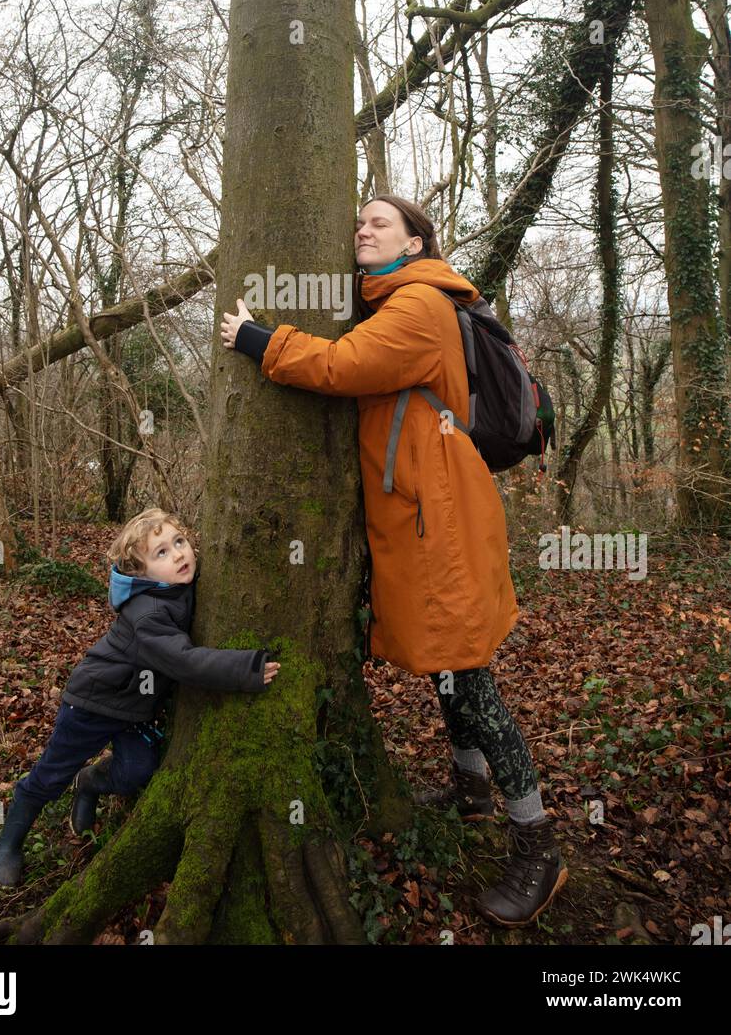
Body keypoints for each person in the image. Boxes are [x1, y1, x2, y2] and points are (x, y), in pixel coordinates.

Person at [220, 194, 567, 927]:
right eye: (360, 222)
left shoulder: (418, 304)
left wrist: (259, 339)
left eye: (380, 222)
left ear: (417, 240)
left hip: (440, 523)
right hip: (424, 514)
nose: (362, 230)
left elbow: (347, 365)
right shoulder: (402, 297)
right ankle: (472, 788)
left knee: (468, 675)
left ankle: (537, 839)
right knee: (446, 662)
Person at [0, 506, 280, 888]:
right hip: (92, 704)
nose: (178, 554)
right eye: (161, 552)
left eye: (180, 542)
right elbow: (184, 661)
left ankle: (90, 782)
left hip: (135, 707)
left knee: (138, 771)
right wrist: (246, 669)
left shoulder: (178, 585)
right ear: (140, 575)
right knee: (49, 776)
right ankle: (8, 842)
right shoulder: (149, 613)